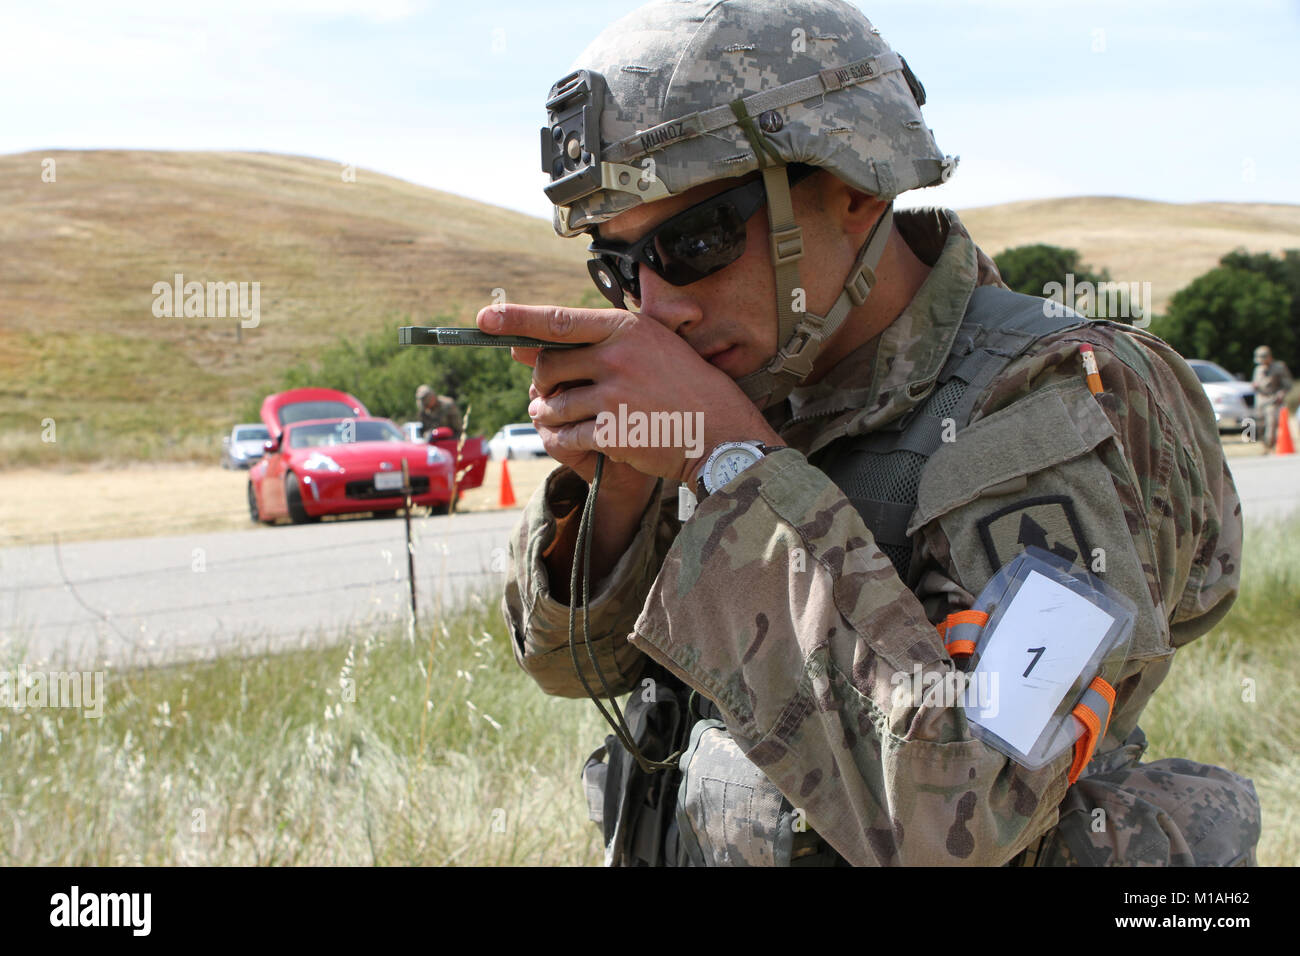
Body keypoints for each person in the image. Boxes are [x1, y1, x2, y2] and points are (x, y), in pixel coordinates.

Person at [484, 0, 1258, 866]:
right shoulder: (739, 378)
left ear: (857, 188)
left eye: (696, 239)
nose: (655, 307)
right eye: (617, 265)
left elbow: (964, 814)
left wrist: (730, 463)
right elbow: (571, 672)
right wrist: (620, 485)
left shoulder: (1063, 398)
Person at [1251, 345, 1293, 453]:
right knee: (1259, 424)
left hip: (1272, 400)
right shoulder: (1258, 369)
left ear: (1269, 357)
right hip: (1260, 400)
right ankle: (1263, 445)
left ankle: (1270, 445)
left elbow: (1287, 385)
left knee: (1271, 423)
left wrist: (1281, 394)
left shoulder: (1279, 367)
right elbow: (1256, 384)